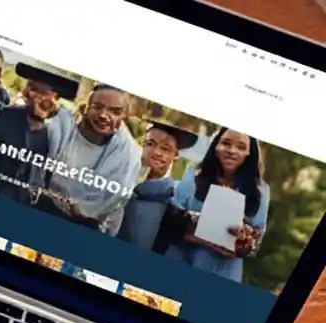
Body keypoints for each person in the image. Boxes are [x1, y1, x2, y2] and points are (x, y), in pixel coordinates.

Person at [160, 128, 271, 282]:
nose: (232, 151)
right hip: (183, 257)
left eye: (241, 147)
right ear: (215, 147)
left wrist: (243, 240)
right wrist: (195, 222)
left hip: (224, 269)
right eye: (226, 143)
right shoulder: (194, 173)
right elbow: (172, 215)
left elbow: (255, 241)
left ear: (249, 153)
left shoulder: (261, 191)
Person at [35, 85, 142, 235]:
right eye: (98, 107)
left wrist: (84, 213)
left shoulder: (129, 155)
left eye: (115, 111)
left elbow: (112, 202)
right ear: (86, 108)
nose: (104, 115)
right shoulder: (60, 129)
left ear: (123, 117)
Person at [0, 63, 78, 203]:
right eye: (30, 87)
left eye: (39, 91)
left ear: (54, 97)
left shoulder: (62, 132)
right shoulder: (5, 114)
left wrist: (40, 121)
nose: (30, 93)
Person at [117, 123, 198, 251]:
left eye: (165, 149)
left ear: (175, 155)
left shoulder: (173, 203)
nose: (156, 152)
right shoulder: (118, 180)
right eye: (150, 144)